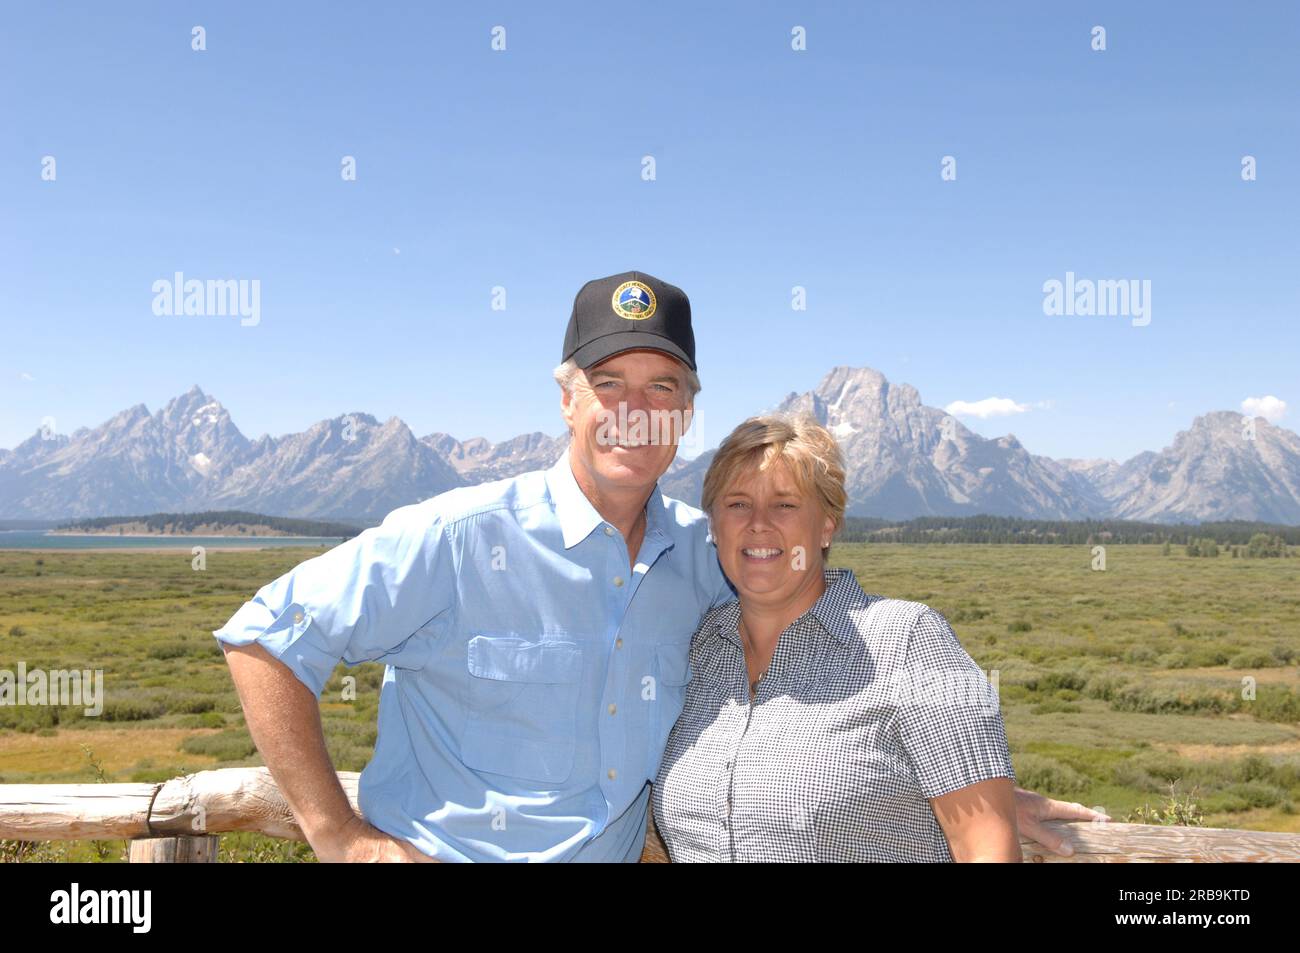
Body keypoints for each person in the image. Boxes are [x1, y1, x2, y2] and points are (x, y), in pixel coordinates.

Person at [214, 269, 1105, 862]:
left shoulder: (707, 560)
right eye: (610, 385)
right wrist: (338, 833)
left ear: (686, 414)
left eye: (663, 389)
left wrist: (970, 795)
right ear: (566, 399)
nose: (635, 411)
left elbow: (814, 636)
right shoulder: (456, 535)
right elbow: (265, 637)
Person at [654, 414, 1022, 861]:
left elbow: (985, 844)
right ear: (713, 525)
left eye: (785, 505)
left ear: (827, 525)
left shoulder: (909, 641)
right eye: (737, 504)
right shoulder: (700, 651)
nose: (758, 524)